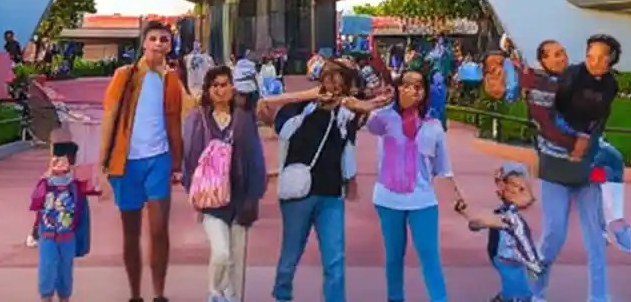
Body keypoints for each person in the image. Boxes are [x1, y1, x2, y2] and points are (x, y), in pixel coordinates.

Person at [367, 65, 495, 302]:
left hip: (422, 201)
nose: (413, 90)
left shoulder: (433, 126)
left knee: (430, 257)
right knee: (394, 257)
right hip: (388, 199)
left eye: (418, 86)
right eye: (406, 85)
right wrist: (380, 102)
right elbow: (370, 123)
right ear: (398, 88)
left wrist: (464, 207)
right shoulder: (384, 118)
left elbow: (444, 170)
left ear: (425, 92)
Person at [262, 65, 388, 302]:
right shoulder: (301, 108)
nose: (333, 88)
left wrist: (370, 103)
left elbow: (363, 112)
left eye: (340, 83)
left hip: (331, 194)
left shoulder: (346, 114)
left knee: (335, 259)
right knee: (291, 253)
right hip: (298, 194)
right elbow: (265, 108)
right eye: (329, 81)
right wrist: (305, 96)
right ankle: (282, 295)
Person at [526, 35, 622, 302]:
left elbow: (598, 120)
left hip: (586, 170)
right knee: (553, 236)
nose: (562, 58)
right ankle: (535, 291)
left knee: (596, 237)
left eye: (563, 53)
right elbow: (547, 126)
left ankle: (599, 296)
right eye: (555, 55)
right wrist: (577, 142)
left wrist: (590, 144)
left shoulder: (588, 82)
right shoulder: (540, 89)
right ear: (543, 61)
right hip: (556, 170)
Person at [99, 20, 186, 302]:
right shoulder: (125, 76)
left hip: (158, 159)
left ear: (170, 46)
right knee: (131, 231)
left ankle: (159, 293)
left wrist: (178, 162)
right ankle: (135, 294)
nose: (159, 44)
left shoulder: (171, 80)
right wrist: (102, 163)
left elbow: (182, 116)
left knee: (159, 229)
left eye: (164, 39)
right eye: (153, 39)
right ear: (144, 43)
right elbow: (110, 116)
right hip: (126, 162)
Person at [181, 66, 268, 302]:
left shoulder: (244, 119)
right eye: (215, 85)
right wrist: (194, 192)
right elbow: (189, 159)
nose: (220, 90)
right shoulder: (197, 120)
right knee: (221, 253)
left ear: (232, 87)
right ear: (208, 90)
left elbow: (255, 158)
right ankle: (214, 292)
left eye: (224, 84)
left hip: (240, 198)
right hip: (212, 201)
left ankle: (233, 297)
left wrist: (254, 196)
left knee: (236, 260)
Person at [30, 131, 95, 302]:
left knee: (65, 270)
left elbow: (83, 209)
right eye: (55, 159)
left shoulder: (75, 185)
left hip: (67, 236)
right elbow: (36, 203)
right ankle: (46, 296)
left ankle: (64, 296)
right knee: (47, 269)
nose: (59, 163)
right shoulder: (45, 183)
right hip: (48, 235)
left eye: (63, 160)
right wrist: (46, 177)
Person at [471, 163, 543, 302]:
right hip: (507, 259)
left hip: (505, 258)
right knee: (518, 292)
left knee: (516, 290)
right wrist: (533, 262)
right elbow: (523, 241)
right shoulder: (508, 215)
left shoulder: (507, 214)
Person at [592, 136, 631, 253]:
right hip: (607, 175)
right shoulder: (601, 146)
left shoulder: (600, 149)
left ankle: (627, 245)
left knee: (612, 214)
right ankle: (602, 235)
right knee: (597, 206)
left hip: (609, 178)